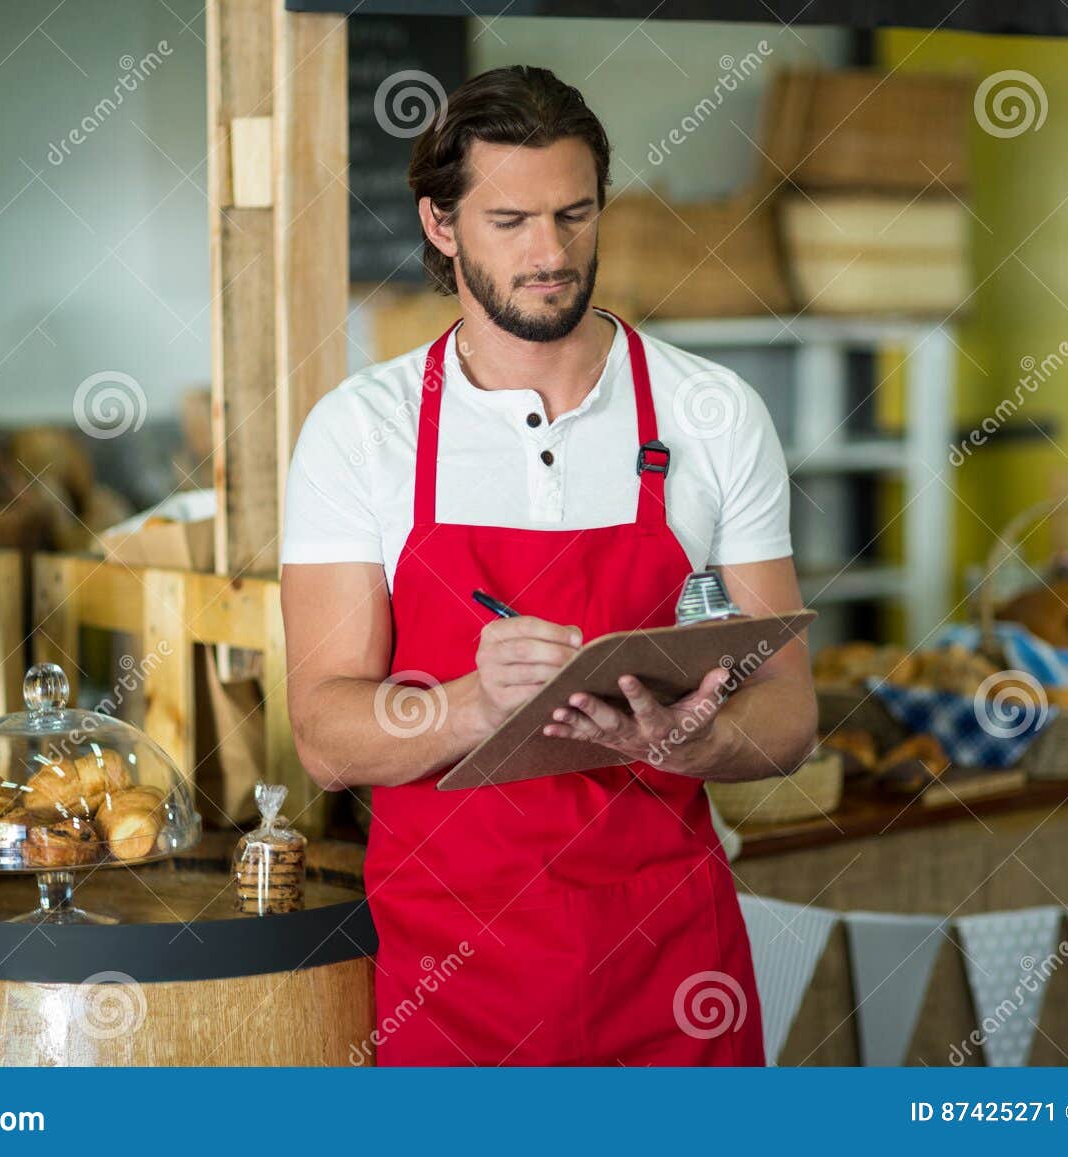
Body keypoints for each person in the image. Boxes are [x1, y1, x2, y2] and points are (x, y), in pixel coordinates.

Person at [279, 65, 815, 1065]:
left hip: (672, 960)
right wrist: (474, 704)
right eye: (511, 219)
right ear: (442, 226)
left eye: (574, 215)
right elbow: (325, 734)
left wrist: (690, 742)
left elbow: (788, 712)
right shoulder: (362, 431)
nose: (550, 253)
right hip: (457, 971)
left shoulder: (713, 412)